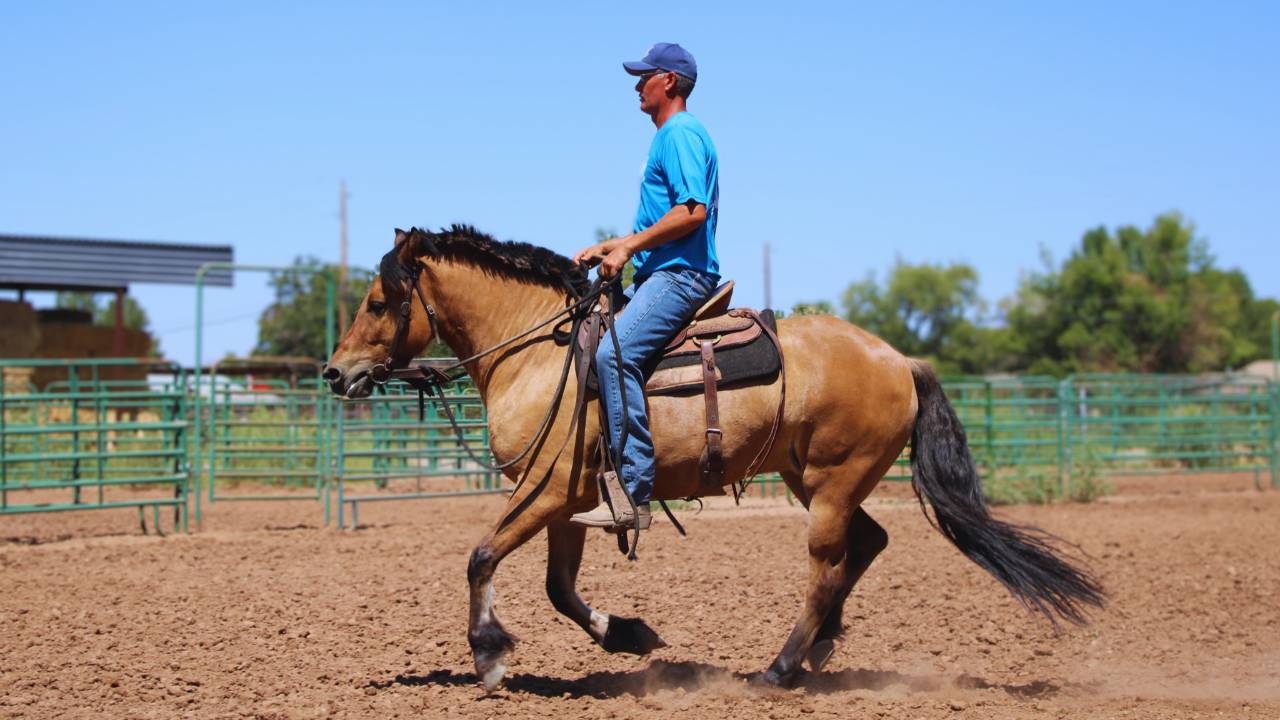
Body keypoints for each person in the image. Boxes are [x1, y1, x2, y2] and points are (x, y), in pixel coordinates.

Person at [570, 43, 720, 531]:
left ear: (669, 82)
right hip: (666, 268)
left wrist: (629, 250)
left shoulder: (678, 133)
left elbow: (692, 211)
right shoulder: (669, 136)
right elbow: (666, 219)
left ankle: (633, 490)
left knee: (614, 355)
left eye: (645, 77)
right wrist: (614, 244)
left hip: (680, 274)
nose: (638, 85)